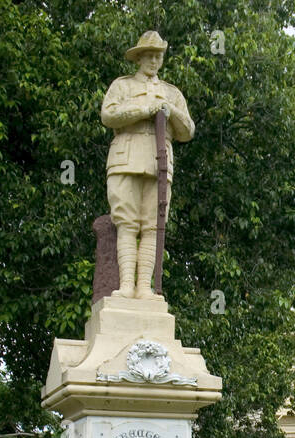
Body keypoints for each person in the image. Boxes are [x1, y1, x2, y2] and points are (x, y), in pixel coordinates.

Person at [101, 31, 195, 298]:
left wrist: (170, 111)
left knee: (154, 226)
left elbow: (187, 130)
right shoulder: (122, 86)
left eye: (159, 56)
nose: (154, 60)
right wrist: (145, 109)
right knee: (127, 223)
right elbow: (108, 115)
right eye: (150, 55)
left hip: (160, 163)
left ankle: (144, 286)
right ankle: (126, 286)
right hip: (126, 158)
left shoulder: (171, 93)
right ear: (139, 58)